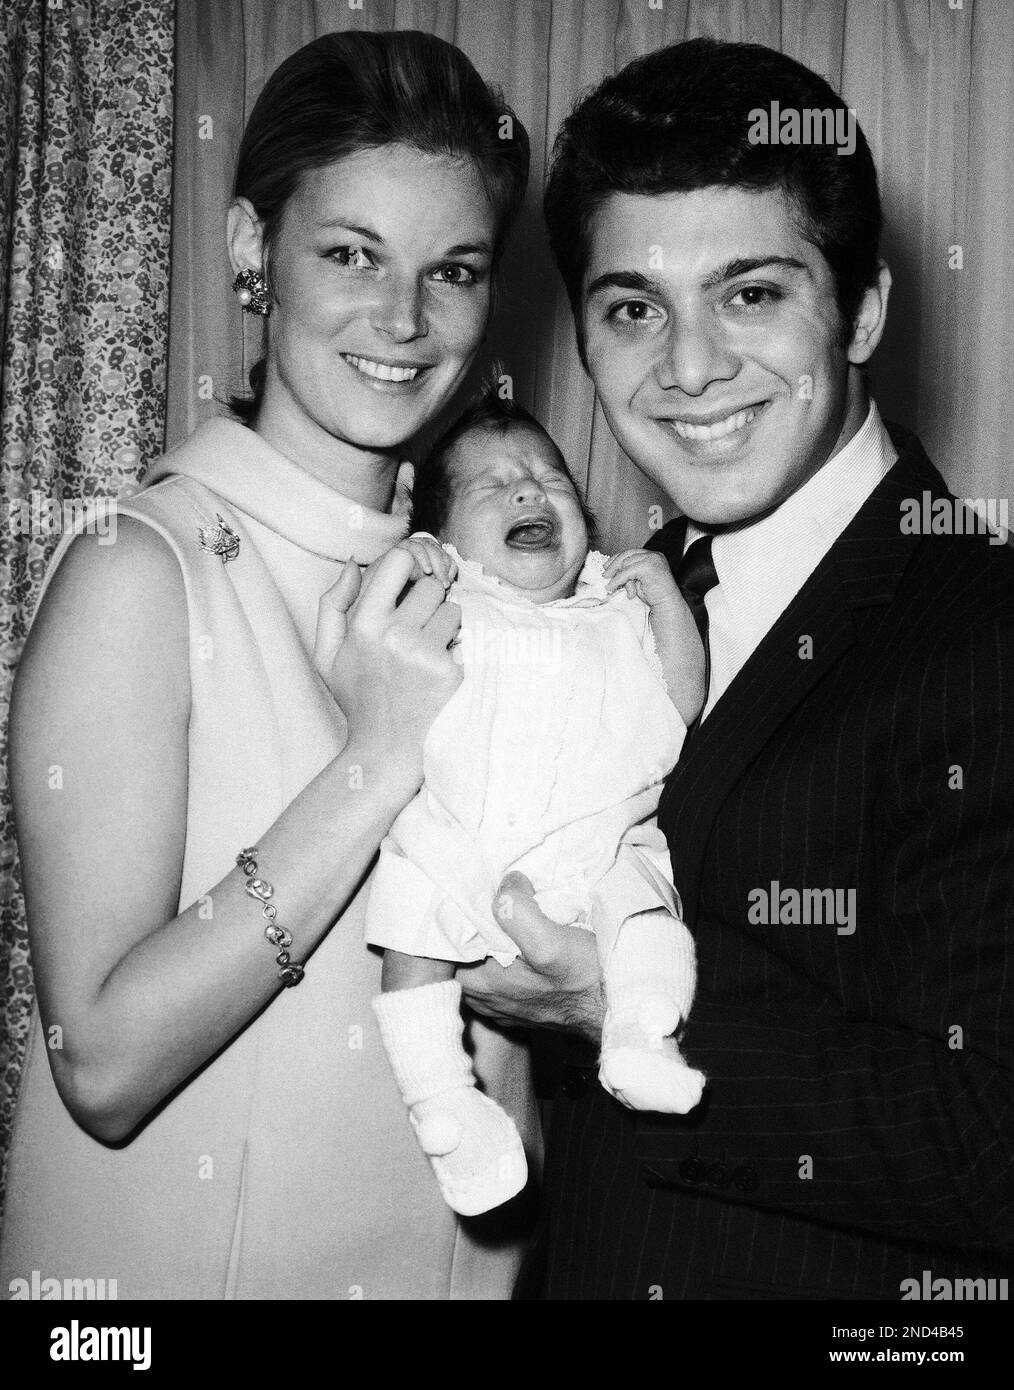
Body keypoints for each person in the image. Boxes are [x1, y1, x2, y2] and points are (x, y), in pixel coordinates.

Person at [459, 37, 1014, 1299]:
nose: (691, 367)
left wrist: (618, 1010)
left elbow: (994, 1138)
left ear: (863, 306)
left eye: (752, 293)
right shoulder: (600, 599)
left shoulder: (984, 634)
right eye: (634, 309)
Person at [1, 30, 535, 1301]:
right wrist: (375, 760)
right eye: (350, 253)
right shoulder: (140, 565)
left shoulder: (481, 581)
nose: (403, 320)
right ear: (253, 251)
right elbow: (106, 1063)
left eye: (450, 270)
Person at [366, 390, 706, 1217]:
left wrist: (664, 602)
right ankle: (442, 1098)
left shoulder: (615, 610)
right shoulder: (451, 607)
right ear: (440, 536)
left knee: (647, 908)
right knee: (412, 914)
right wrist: (412, 564)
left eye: (550, 478)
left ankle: (641, 1032)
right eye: (493, 488)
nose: (529, 492)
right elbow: (364, 659)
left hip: (597, 843)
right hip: (466, 843)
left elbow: (680, 703)